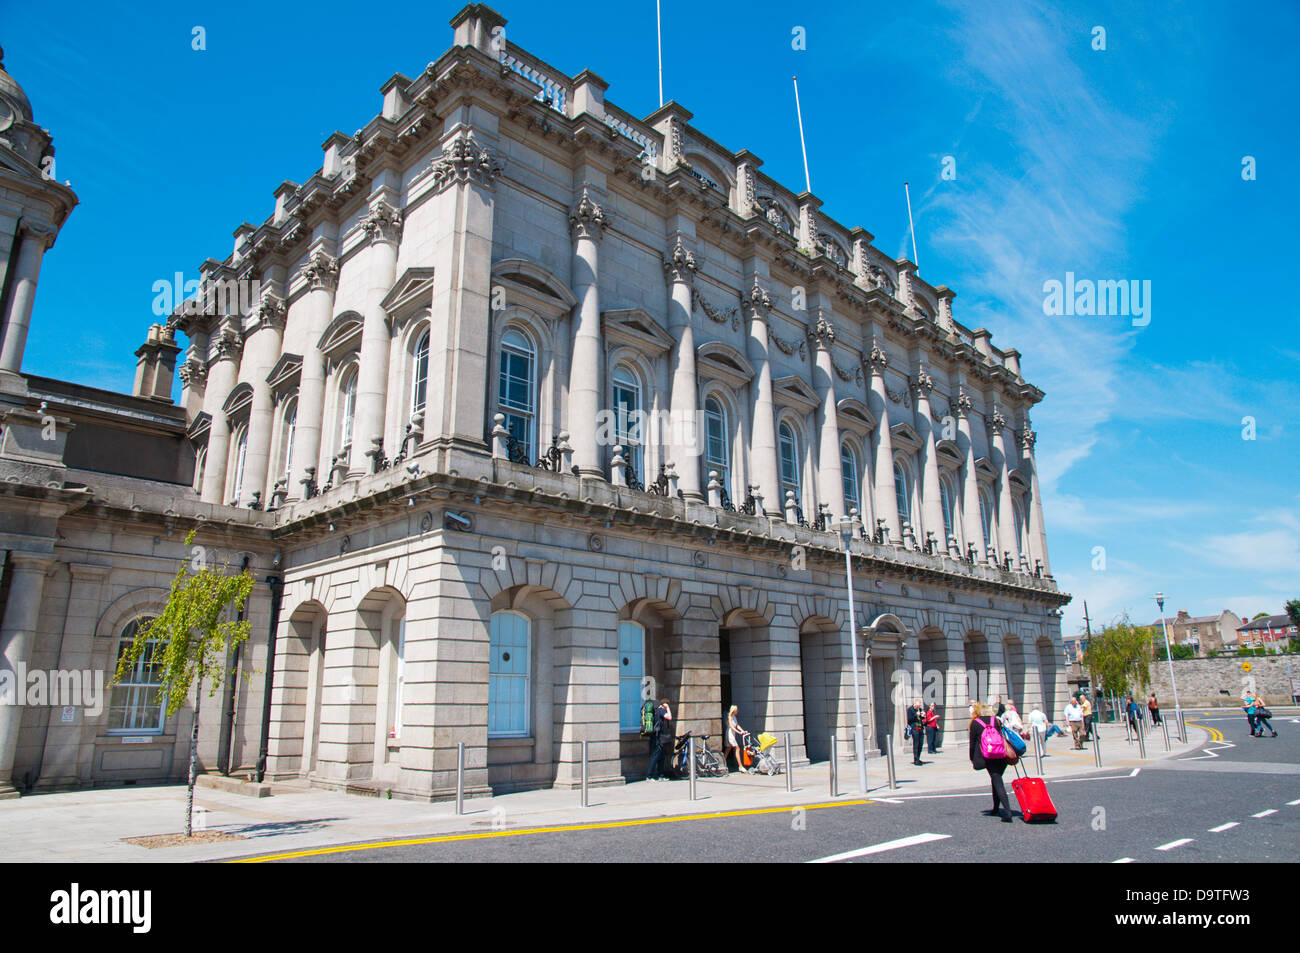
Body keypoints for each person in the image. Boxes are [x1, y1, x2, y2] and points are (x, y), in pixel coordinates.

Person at [969, 703, 1013, 822]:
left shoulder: (975, 723)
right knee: (995, 779)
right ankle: (995, 808)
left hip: (990, 755)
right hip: (1001, 754)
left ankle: (1007, 811)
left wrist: (972, 758)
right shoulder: (996, 721)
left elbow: (972, 744)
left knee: (997, 781)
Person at [647, 698, 673, 781]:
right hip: (657, 737)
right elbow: (669, 717)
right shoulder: (661, 710)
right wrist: (667, 708)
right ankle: (649, 776)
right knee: (655, 756)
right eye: (667, 705)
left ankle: (660, 775)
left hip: (657, 736)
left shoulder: (656, 711)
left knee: (662, 756)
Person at [724, 704, 749, 774]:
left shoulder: (734, 716)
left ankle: (722, 764)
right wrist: (739, 732)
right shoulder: (729, 716)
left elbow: (737, 725)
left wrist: (742, 731)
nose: (737, 711)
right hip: (730, 734)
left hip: (732, 733)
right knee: (737, 748)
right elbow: (731, 726)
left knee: (728, 749)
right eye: (736, 710)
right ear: (733, 710)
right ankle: (740, 766)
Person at [907, 698, 926, 765]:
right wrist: (916, 715)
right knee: (916, 744)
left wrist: (923, 716)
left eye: (919, 706)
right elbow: (909, 719)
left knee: (920, 744)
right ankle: (916, 759)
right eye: (917, 706)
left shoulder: (920, 710)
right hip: (914, 729)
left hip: (920, 728)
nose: (918, 707)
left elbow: (922, 718)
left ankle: (918, 757)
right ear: (914, 704)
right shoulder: (910, 710)